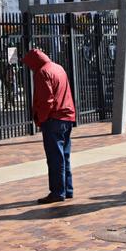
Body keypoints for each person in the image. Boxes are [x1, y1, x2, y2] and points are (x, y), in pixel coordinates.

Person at [23, 47, 77, 204]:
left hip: (53, 118)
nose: (29, 68)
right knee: (64, 156)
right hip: (66, 116)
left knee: (55, 158)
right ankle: (67, 189)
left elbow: (47, 100)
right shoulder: (58, 67)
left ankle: (57, 191)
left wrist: (41, 118)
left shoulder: (42, 72)